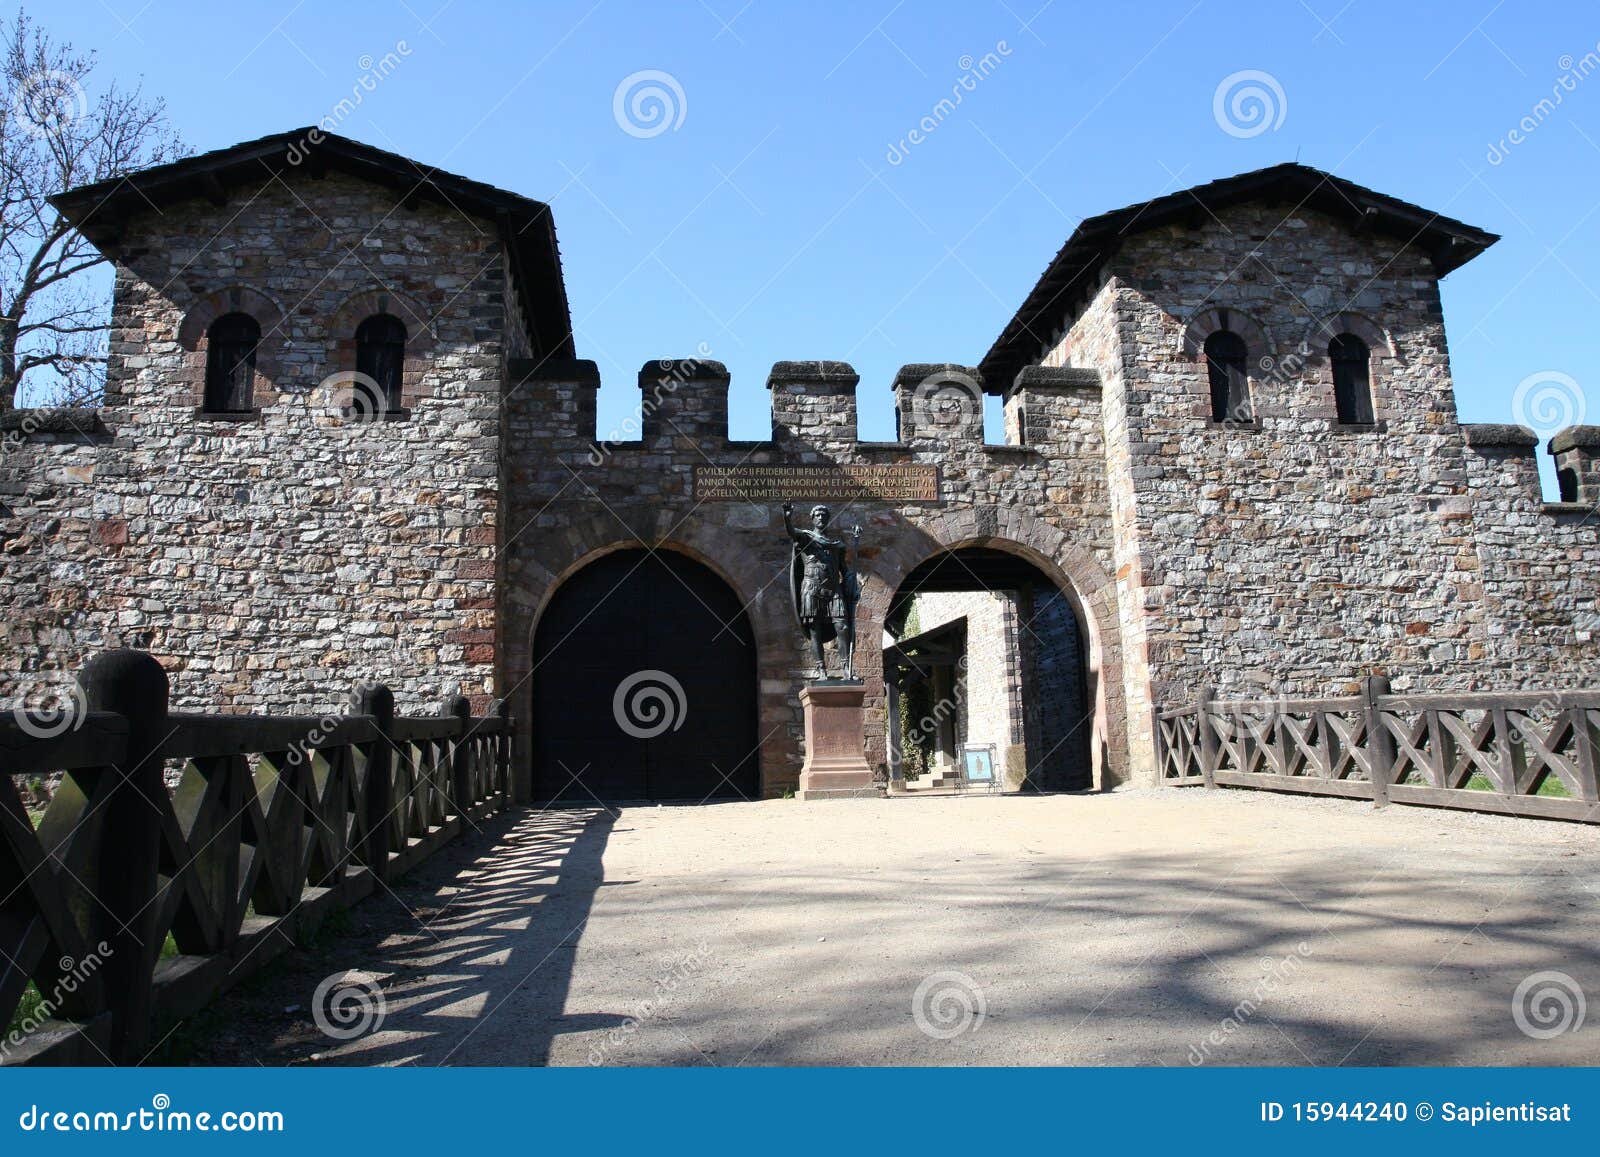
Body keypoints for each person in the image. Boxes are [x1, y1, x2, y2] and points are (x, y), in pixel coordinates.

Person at [783, 501, 860, 680]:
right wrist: (787, 519)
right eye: (817, 515)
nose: (820, 518)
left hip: (834, 589)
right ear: (812, 519)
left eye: (824, 515)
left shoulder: (837, 545)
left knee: (843, 627)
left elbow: (844, 570)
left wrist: (852, 583)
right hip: (812, 588)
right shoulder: (805, 538)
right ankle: (821, 670)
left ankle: (846, 668)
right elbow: (792, 532)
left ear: (828, 519)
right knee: (814, 630)